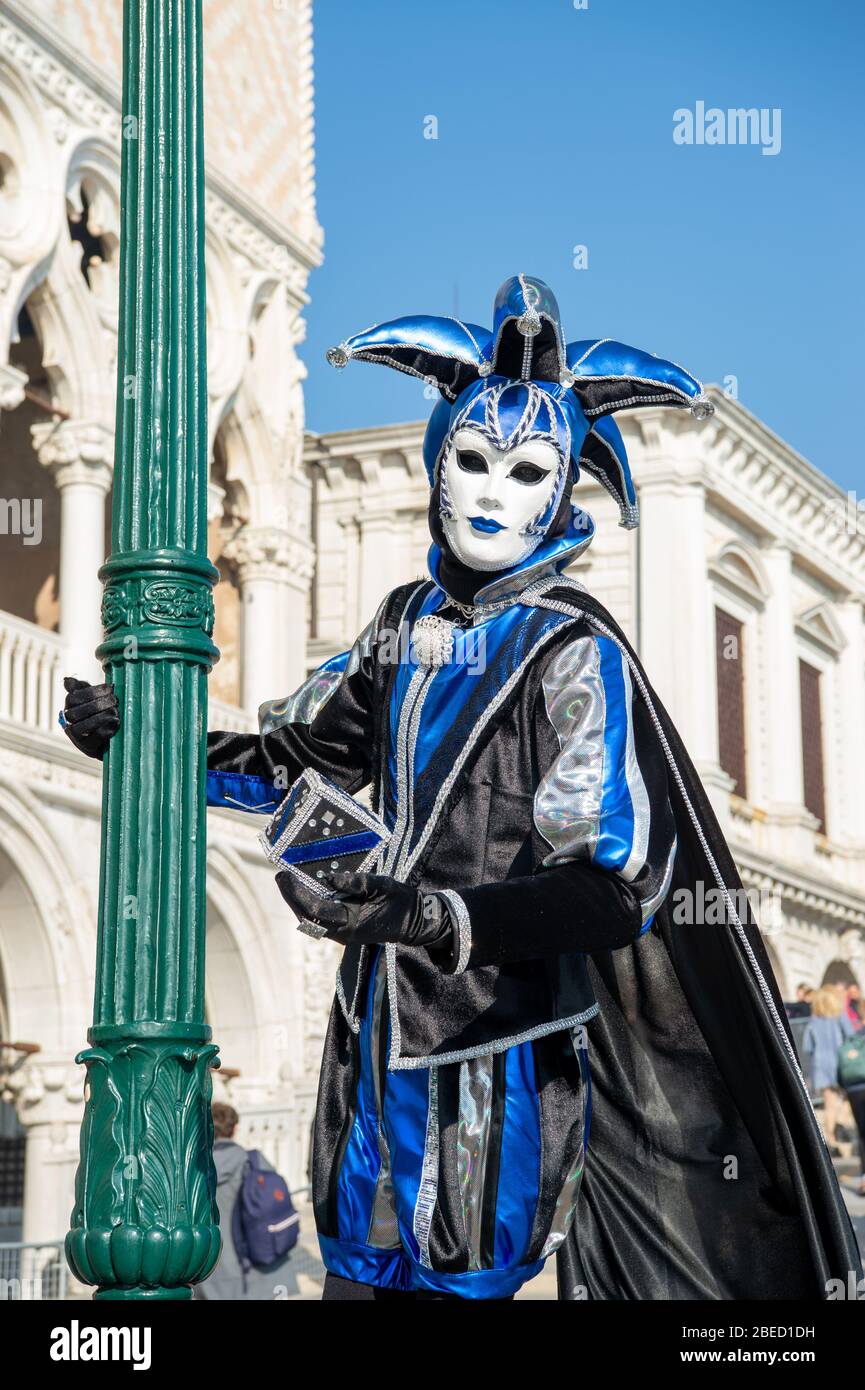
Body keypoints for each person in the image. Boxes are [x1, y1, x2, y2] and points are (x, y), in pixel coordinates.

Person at [62, 274, 861, 1301]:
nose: (491, 492)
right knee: (357, 1275)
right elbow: (301, 758)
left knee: (462, 1280)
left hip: (495, 1059)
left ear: (562, 488)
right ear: (437, 470)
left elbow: (610, 885)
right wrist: (149, 738)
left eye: (526, 471)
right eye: (471, 461)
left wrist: (433, 913)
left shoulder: (572, 649)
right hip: (372, 1034)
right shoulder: (402, 622)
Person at [195, 1102, 294, 1300]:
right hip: (254, 1270)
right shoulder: (254, 1162)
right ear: (236, 1128)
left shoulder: (194, 1172)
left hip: (209, 1271)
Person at [802, 989, 857, 1155]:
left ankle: (831, 1140)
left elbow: (807, 1046)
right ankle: (841, 1126)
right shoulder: (840, 1016)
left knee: (829, 1104)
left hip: (821, 1065)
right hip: (841, 1062)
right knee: (847, 1097)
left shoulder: (813, 1021)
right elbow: (851, 1036)